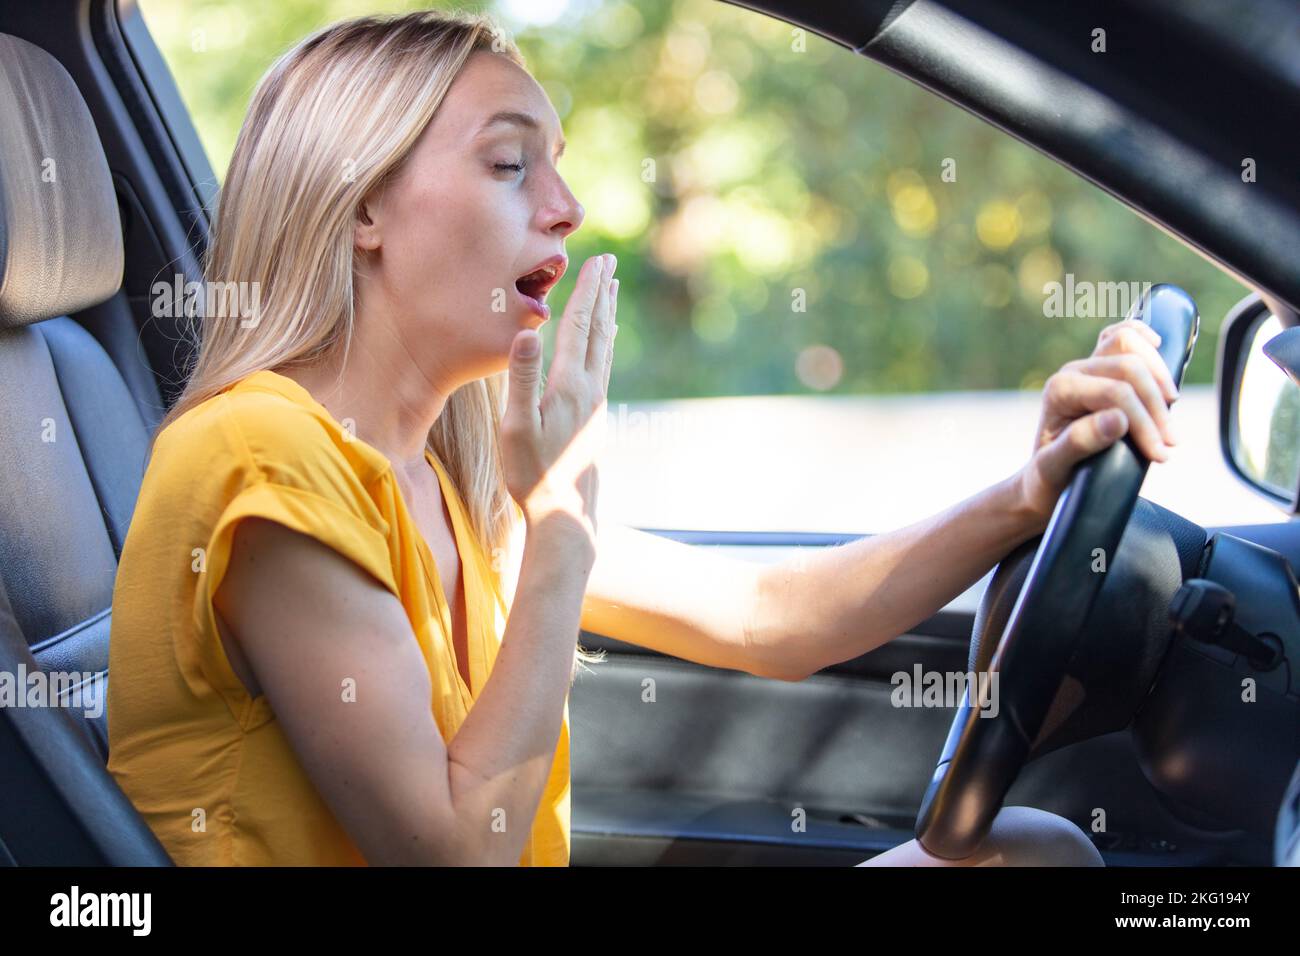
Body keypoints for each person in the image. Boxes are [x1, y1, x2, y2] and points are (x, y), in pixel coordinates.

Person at [107, 9, 1179, 867]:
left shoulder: (439, 483)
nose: (568, 207)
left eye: (558, 164)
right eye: (508, 164)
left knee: (1024, 851)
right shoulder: (260, 454)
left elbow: (770, 617)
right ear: (362, 208)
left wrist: (1027, 494)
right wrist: (562, 524)